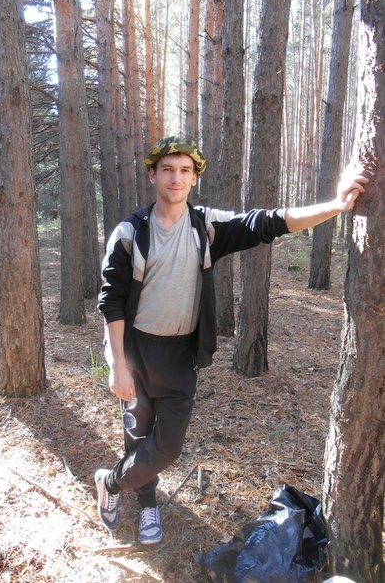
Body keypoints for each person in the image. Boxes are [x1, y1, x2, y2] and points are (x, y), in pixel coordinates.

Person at [95, 135, 368, 545]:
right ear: (153, 175)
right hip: (135, 354)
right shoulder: (131, 232)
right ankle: (148, 501)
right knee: (137, 437)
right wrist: (118, 363)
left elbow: (268, 223)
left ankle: (110, 482)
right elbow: (111, 301)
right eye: (167, 169)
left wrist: (336, 205)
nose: (175, 178)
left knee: (166, 448)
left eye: (185, 171)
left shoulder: (205, 226)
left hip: (180, 356)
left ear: (194, 178)